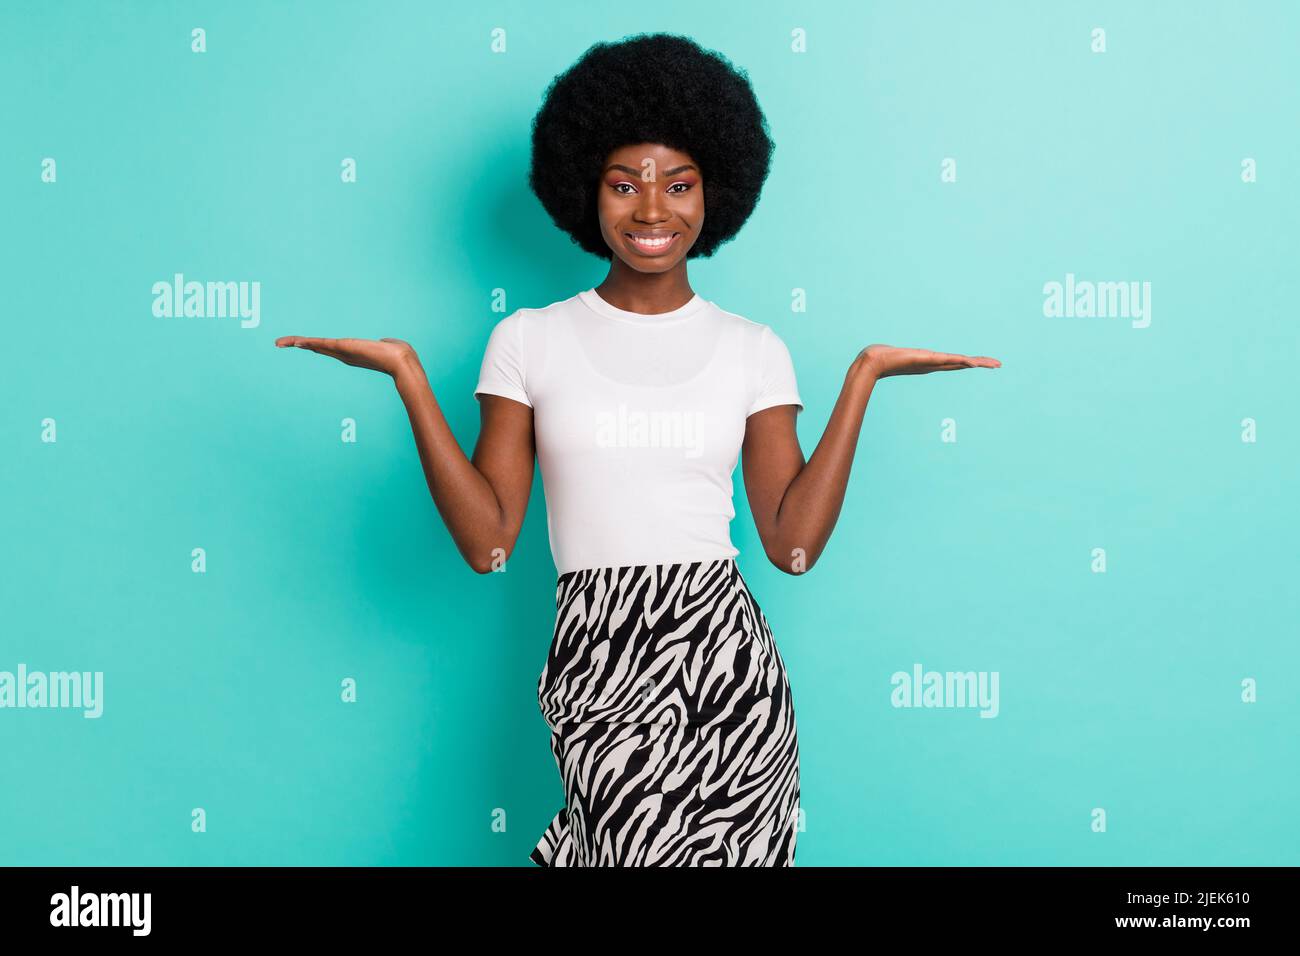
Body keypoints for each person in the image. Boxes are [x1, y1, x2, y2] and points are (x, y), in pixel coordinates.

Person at [275, 32, 1000, 866]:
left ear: (714, 192)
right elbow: (489, 545)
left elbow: (792, 550)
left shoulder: (752, 348)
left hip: (725, 663)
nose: (652, 210)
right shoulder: (528, 340)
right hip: (597, 655)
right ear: (587, 192)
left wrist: (863, 377)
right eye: (625, 185)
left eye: (678, 184)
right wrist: (407, 376)